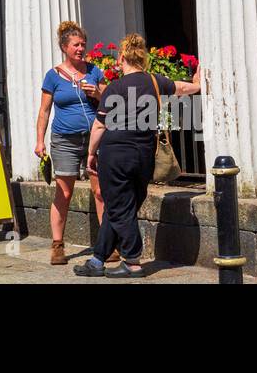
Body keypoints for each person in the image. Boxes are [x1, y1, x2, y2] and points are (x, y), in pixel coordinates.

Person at [74, 33, 200, 279]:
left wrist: (90, 153)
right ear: (143, 58)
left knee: (120, 207)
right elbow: (181, 87)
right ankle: (98, 259)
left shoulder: (114, 88)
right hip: (144, 154)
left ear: (122, 58)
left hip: (116, 154)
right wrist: (199, 84)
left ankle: (132, 262)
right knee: (123, 205)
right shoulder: (155, 82)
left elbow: (99, 126)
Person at [35, 21, 106, 266]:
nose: (80, 49)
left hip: (93, 140)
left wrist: (96, 93)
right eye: (76, 45)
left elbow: (109, 100)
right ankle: (57, 245)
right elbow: (44, 111)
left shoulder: (94, 71)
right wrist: (39, 141)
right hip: (64, 139)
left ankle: (108, 243)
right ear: (65, 47)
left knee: (100, 191)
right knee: (64, 192)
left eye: (83, 45)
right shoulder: (53, 76)